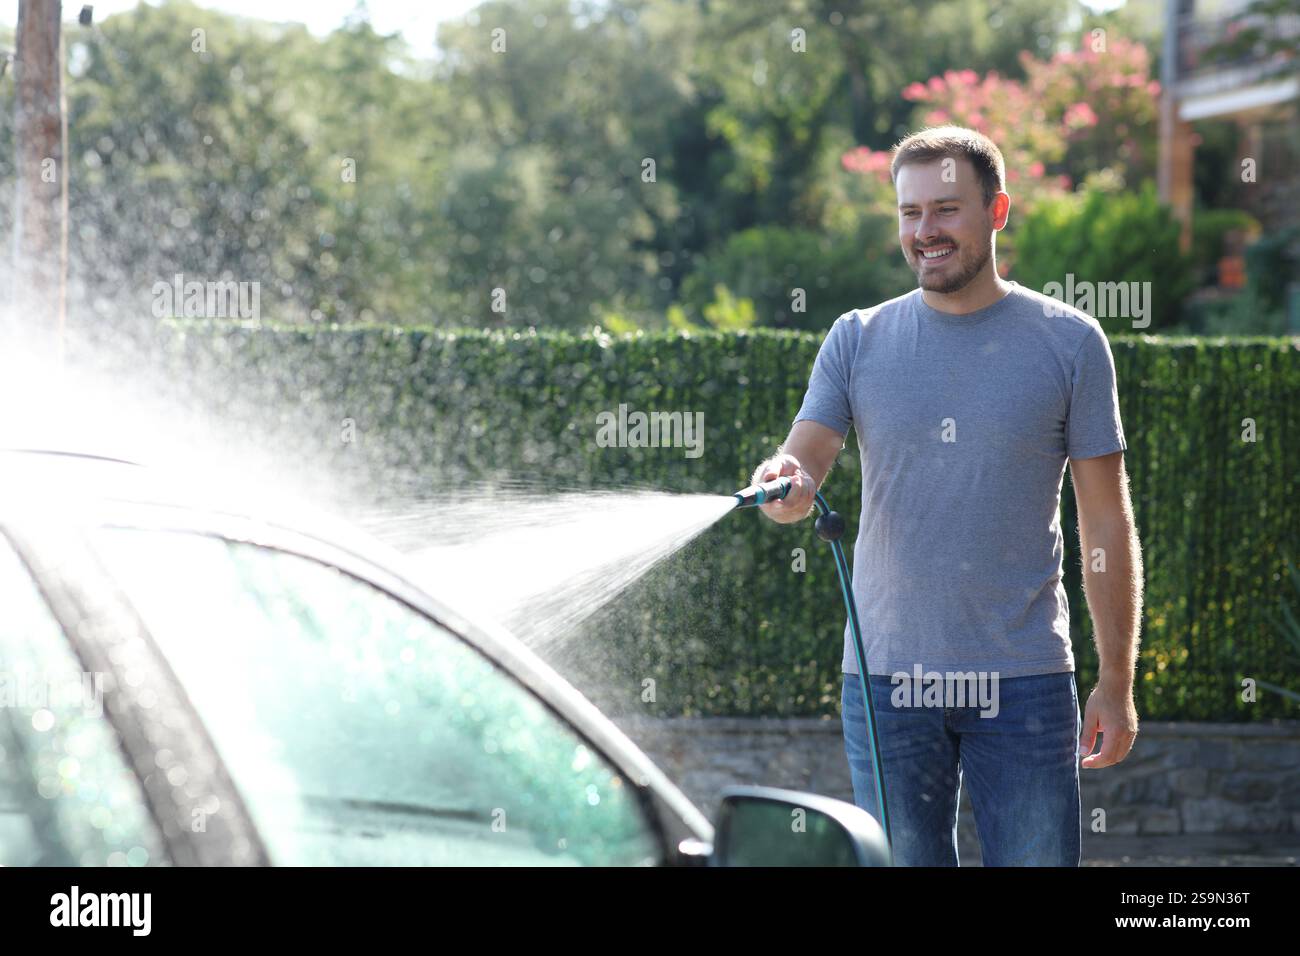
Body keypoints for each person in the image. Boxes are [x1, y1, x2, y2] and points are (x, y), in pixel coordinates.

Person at [750, 126, 1142, 866]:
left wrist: (1116, 681)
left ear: (996, 212)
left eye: (946, 209)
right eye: (909, 213)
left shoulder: (1070, 343)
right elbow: (803, 459)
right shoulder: (857, 339)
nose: (924, 231)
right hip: (888, 681)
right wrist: (787, 485)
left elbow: (1105, 521)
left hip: (1024, 681)